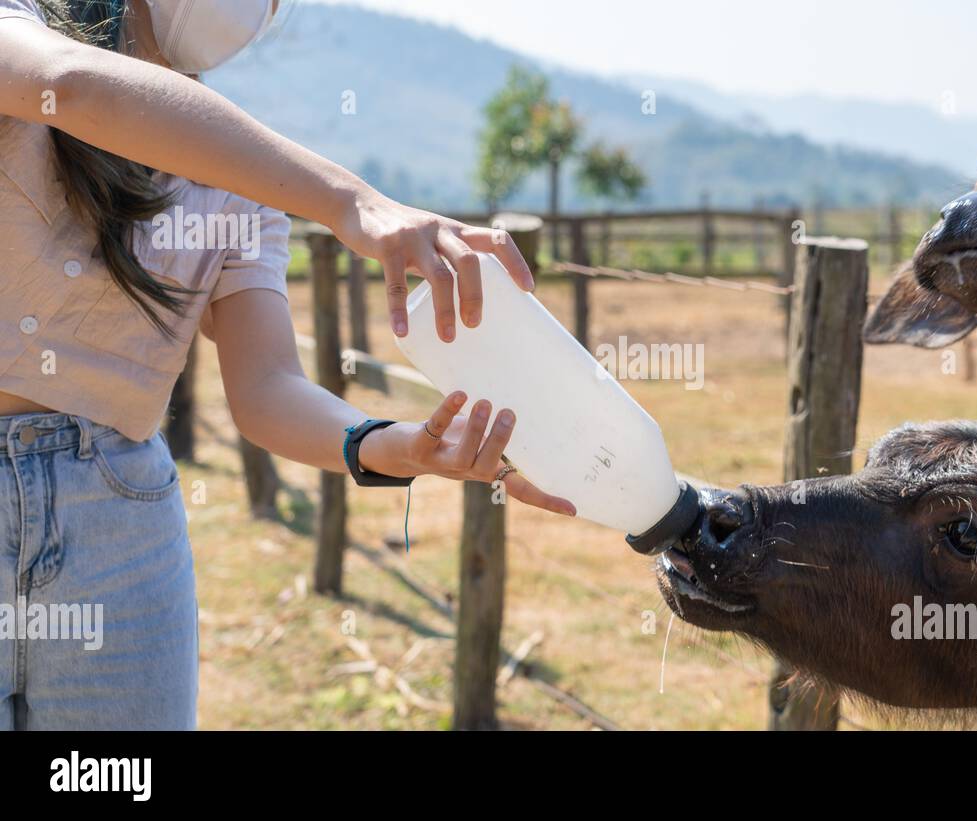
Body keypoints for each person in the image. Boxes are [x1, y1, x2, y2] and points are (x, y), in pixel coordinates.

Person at [0, 0, 574, 730]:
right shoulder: (19, 31)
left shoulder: (245, 179)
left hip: (121, 525)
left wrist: (396, 445)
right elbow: (72, 81)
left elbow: (268, 387)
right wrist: (353, 202)